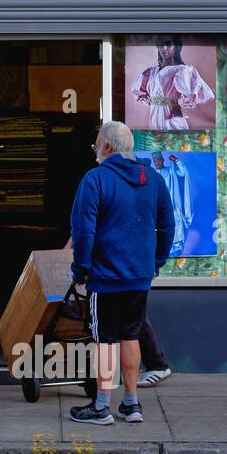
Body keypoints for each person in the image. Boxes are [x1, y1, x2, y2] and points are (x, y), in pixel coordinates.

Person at [68, 121, 175, 425]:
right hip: (139, 277)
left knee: (104, 340)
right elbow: (168, 226)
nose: (95, 151)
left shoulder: (95, 180)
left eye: (96, 145)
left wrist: (81, 269)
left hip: (106, 278)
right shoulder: (152, 179)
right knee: (131, 336)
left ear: (108, 147)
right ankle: (131, 403)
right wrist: (156, 263)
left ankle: (101, 406)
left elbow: (83, 231)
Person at [132, 35, 215, 130]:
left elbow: (192, 96)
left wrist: (176, 102)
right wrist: (154, 102)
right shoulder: (150, 72)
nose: (164, 48)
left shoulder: (182, 70)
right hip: (154, 119)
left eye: (168, 44)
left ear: (176, 47)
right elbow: (139, 93)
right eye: (161, 45)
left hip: (172, 122)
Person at [147, 150, 192, 257]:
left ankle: (174, 248)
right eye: (155, 161)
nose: (157, 163)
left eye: (158, 160)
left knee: (176, 222)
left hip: (172, 204)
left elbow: (182, 173)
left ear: (162, 160)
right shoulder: (152, 175)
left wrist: (177, 161)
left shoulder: (170, 171)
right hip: (158, 206)